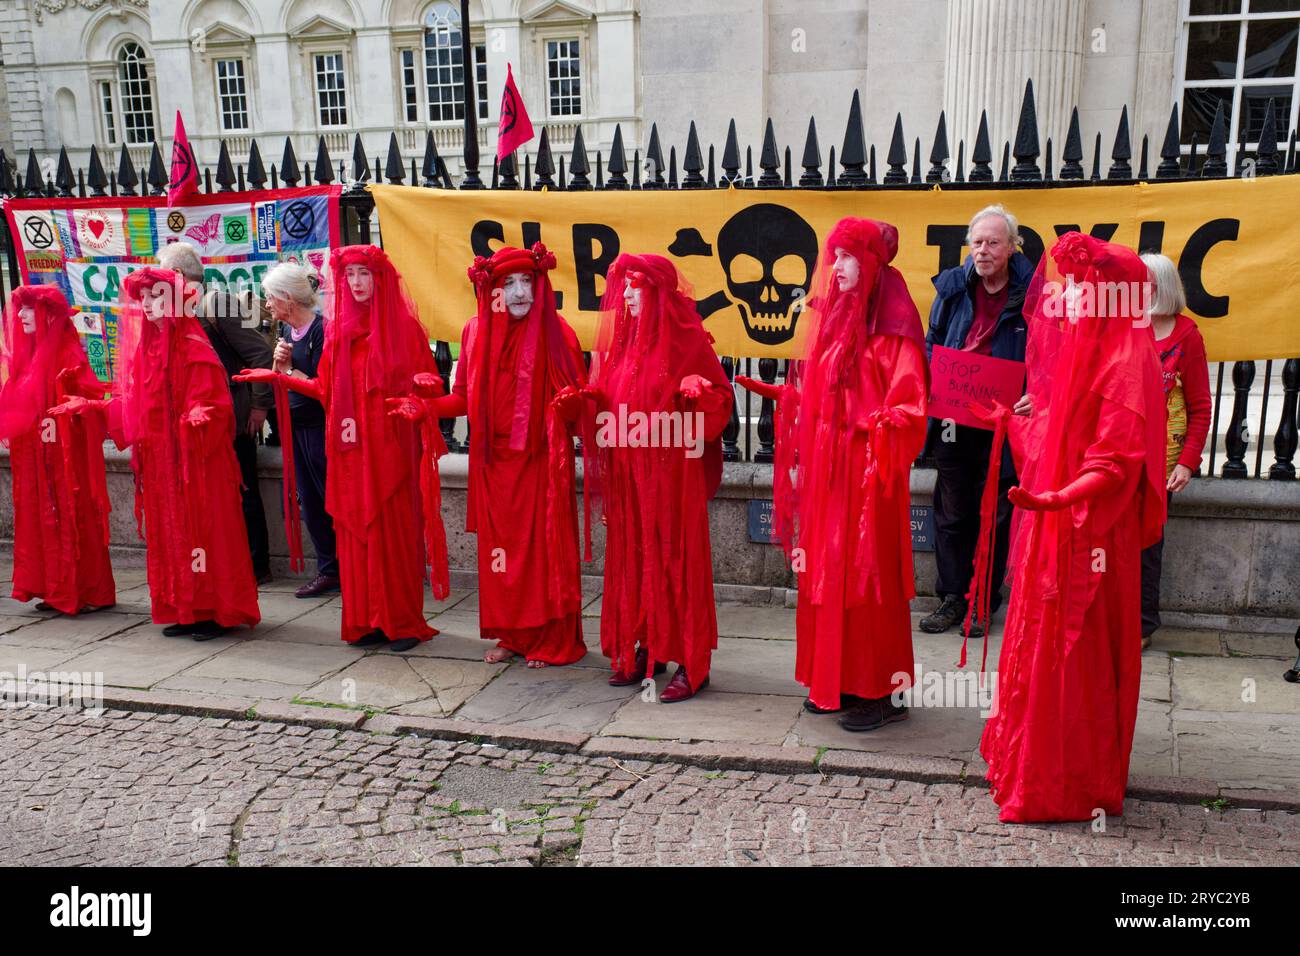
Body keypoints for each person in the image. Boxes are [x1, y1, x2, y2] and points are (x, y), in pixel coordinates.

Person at [976, 232, 1165, 823]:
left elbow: (1113, 461)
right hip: (1053, 522)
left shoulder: (1127, 360)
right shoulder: (1084, 350)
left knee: (1073, 648)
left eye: (1085, 289)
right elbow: (1056, 432)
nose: (1072, 299)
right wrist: (1014, 424)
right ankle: (1034, 762)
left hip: (1090, 533)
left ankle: (1068, 779)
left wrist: (1060, 497)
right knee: (1044, 639)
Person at [737, 218, 929, 731]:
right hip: (829, 471)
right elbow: (828, 394)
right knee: (828, 573)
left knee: (870, 578)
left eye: (846, 257)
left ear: (869, 262)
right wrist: (788, 398)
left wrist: (883, 424)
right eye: (835, 255)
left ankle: (883, 691)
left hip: (869, 474)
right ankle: (838, 678)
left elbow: (910, 405)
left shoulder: (895, 327)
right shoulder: (837, 320)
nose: (835, 267)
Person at [236, 245, 448, 653]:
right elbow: (324, 390)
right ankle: (367, 620)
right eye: (349, 276)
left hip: (392, 449)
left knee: (393, 533)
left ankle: (401, 620)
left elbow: (431, 385)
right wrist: (278, 378)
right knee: (358, 535)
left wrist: (423, 393)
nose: (356, 283)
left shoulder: (404, 328)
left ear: (380, 278)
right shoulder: (338, 332)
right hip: (352, 453)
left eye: (364, 274)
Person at [51, 267, 261, 639]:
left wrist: (202, 413)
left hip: (196, 461)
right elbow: (134, 405)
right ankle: (185, 606)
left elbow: (217, 403)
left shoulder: (195, 348)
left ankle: (213, 609)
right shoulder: (145, 351)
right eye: (144, 298)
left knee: (202, 530)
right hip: (162, 462)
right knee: (171, 532)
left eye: (156, 296)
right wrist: (94, 407)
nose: (148, 305)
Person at [417, 244, 591, 667]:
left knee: (542, 554)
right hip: (494, 466)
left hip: (541, 463)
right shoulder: (475, 332)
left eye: (526, 282)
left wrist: (570, 405)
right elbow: (461, 399)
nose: (518, 292)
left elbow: (582, 402)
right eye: (507, 283)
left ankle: (553, 640)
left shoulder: (558, 332)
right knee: (502, 557)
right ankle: (513, 635)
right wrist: (423, 405)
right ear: (490, 290)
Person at [585, 254, 732, 702]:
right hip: (631, 476)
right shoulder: (624, 345)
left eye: (635, 287)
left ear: (657, 293)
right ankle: (650, 646)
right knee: (635, 557)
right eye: (624, 286)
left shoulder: (687, 340)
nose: (625, 295)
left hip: (672, 476)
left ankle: (692, 662)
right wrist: (585, 401)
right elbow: (610, 398)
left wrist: (699, 394)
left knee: (676, 560)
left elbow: (721, 401)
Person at [919, 205, 1034, 638]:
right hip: (955, 415)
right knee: (952, 510)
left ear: (1011, 246)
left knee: (999, 511)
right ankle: (951, 597)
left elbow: (1049, 354)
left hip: (1005, 420)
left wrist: (1036, 392)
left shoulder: (1033, 293)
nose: (983, 250)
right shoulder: (951, 288)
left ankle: (982, 602)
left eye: (993, 242)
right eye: (977, 242)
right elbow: (932, 343)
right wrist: (932, 380)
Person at [157, 241, 275, 584]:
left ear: (177, 274)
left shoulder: (215, 302)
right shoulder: (178, 307)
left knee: (243, 493)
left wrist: (258, 405)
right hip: (199, 420)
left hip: (232, 417)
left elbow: (259, 356)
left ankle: (257, 566)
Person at [1, 285, 115, 615]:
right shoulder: (30, 355)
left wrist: (81, 407)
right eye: (20, 308)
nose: (20, 315)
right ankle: (54, 586)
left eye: (28, 308)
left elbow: (93, 401)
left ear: (48, 314)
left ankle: (88, 589)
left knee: (74, 513)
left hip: (66, 455)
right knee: (42, 514)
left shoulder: (69, 354)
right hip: (36, 454)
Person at [1138, 253, 1211, 647]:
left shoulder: (1187, 336)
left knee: (1148, 545)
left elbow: (1200, 407)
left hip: (1163, 462)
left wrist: (1187, 463)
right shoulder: (1124, 326)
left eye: (1141, 281)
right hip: (1122, 453)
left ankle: (1142, 626)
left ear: (1159, 286)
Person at [261, 262, 339, 599]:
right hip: (296, 426)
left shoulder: (322, 330)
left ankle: (347, 568)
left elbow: (326, 387)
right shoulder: (286, 332)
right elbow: (287, 379)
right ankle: (329, 570)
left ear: (287, 299)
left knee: (330, 500)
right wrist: (279, 368)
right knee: (308, 503)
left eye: (270, 298)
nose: (267, 305)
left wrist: (289, 371)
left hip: (320, 427)